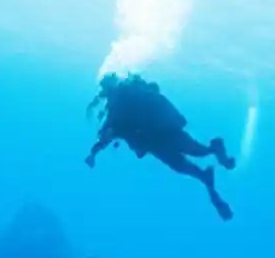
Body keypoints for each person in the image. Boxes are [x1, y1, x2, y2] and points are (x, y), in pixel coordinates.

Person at [86, 73, 236, 220]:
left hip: (161, 136)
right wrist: (93, 153)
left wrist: (93, 153)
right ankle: (209, 170)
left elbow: (106, 135)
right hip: (159, 139)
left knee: (191, 157)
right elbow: (108, 134)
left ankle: (212, 159)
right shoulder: (125, 102)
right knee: (185, 162)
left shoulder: (118, 107)